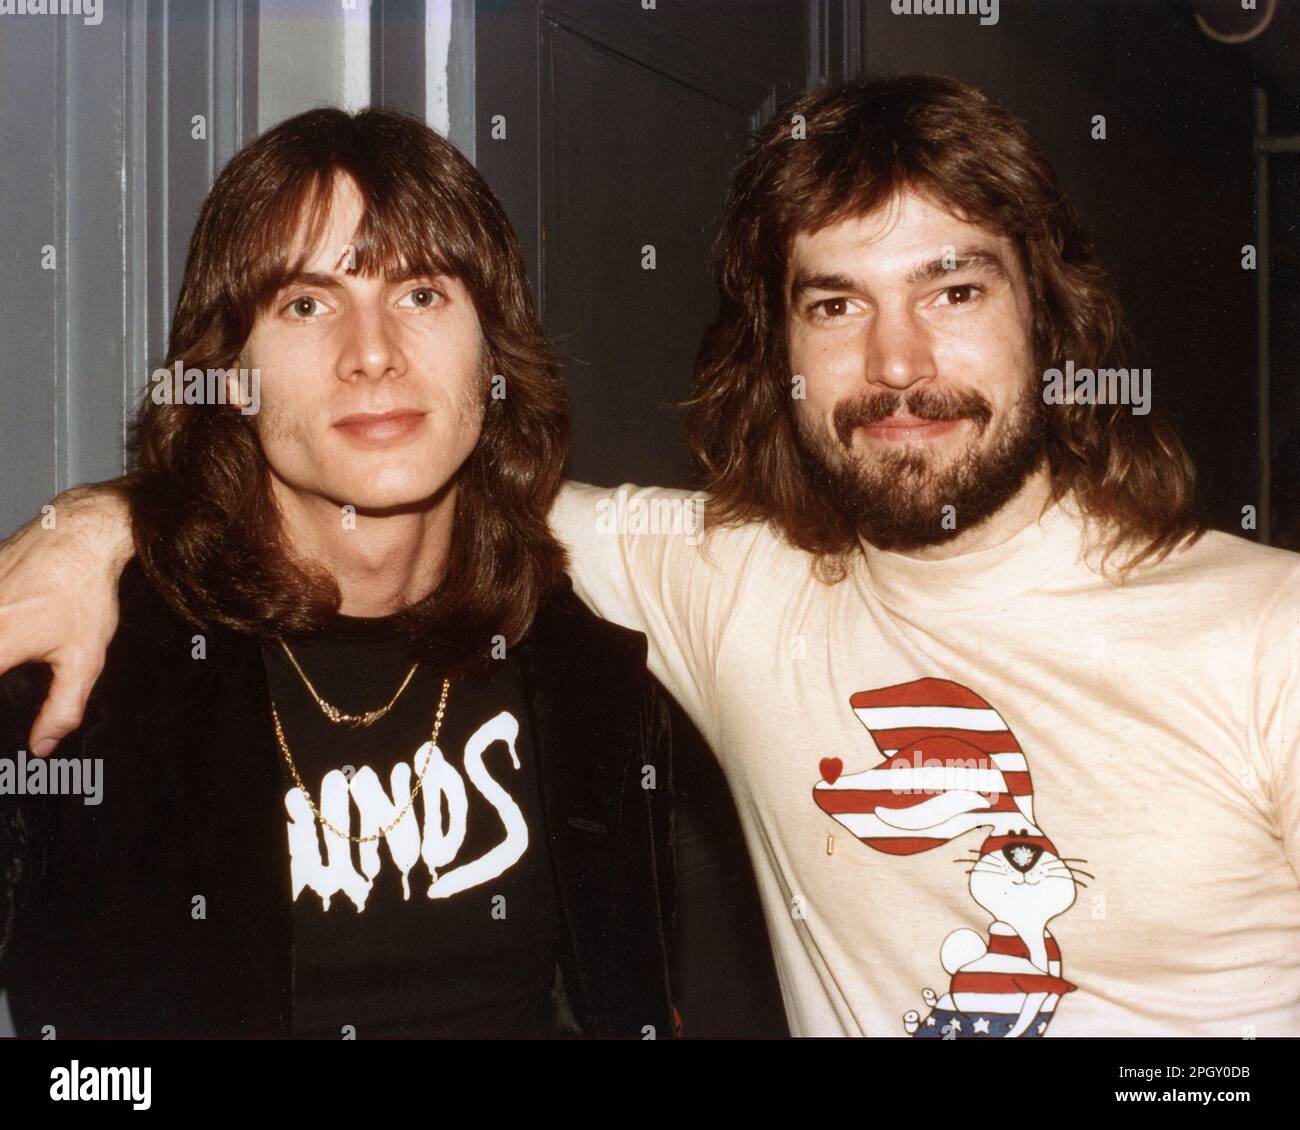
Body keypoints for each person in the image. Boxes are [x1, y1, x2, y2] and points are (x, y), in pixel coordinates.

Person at [3, 75, 1298, 1038]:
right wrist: (96, 522)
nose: (899, 365)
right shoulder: (720, 578)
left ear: (1052, 319)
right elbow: (371, 463)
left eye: (954, 291)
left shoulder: (1268, 634)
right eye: (836, 303)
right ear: (777, 356)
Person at [0, 106, 675, 1038]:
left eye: (422, 294)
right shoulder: (89, 659)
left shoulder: (592, 657)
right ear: (229, 371)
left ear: (493, 348)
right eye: (306, 303)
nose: (371, 354)